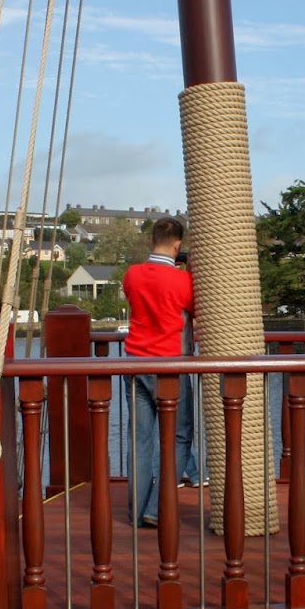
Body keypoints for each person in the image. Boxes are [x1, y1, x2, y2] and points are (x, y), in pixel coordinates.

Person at [122, 216, 198, 527]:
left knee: (140, 442)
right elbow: (197, 309)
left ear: (151, 241)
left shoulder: (132, 275)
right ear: (178, 246)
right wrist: (191, 270)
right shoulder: (183, 281)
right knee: (178, 438)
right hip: (171, 368)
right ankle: (156, 507)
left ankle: (137, 512)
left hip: (135, 364)